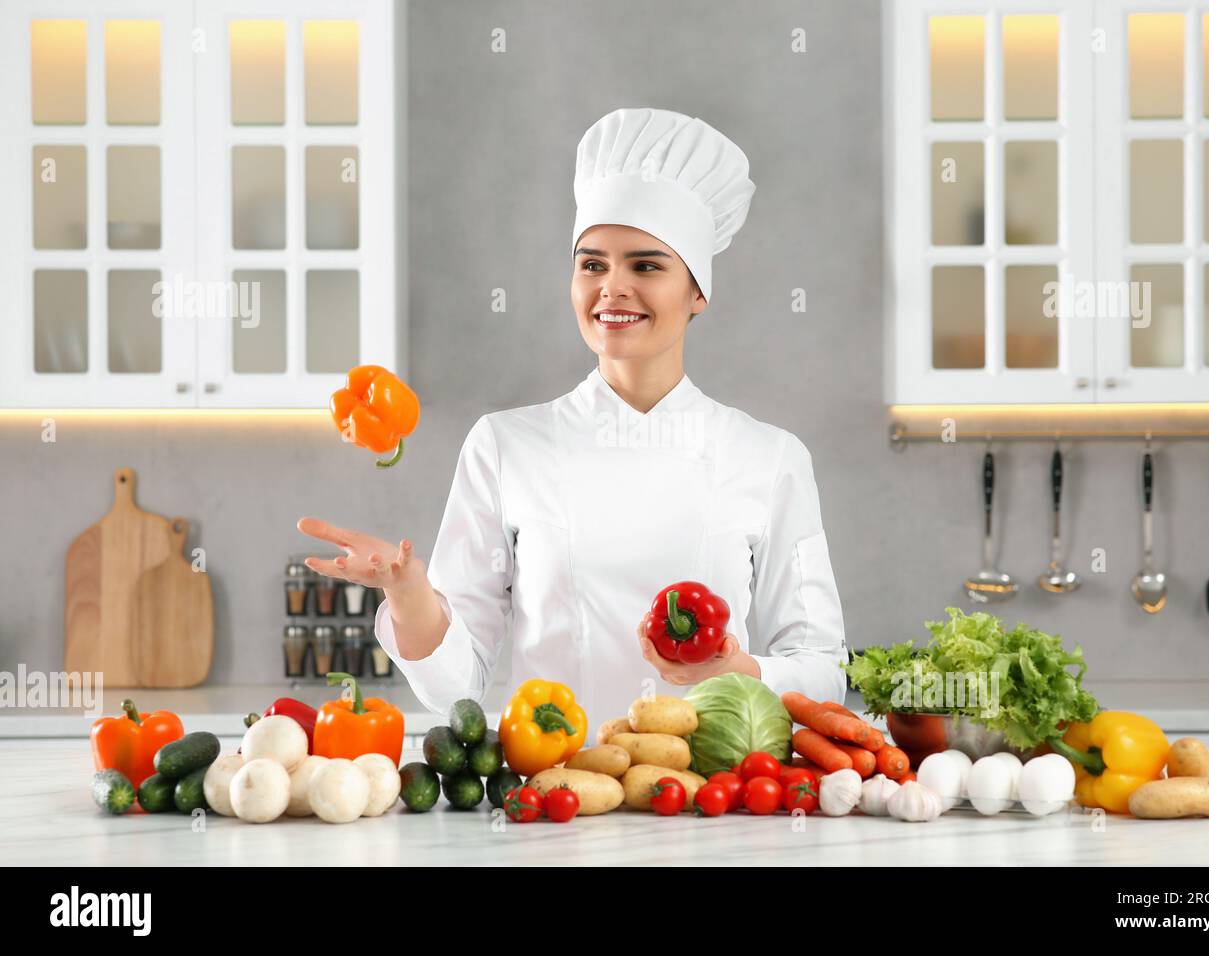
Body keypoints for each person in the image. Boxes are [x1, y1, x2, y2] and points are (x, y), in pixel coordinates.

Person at [298, 107, 847, 741]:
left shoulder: (769, 457)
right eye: (592, 265)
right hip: (556, 801)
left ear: (698, 292)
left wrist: (737, 668)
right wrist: (408, 591)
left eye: (646, 266)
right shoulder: (505, 445)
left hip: (712, 800)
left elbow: (824, 672)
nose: (612, 289)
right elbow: (455, 691)